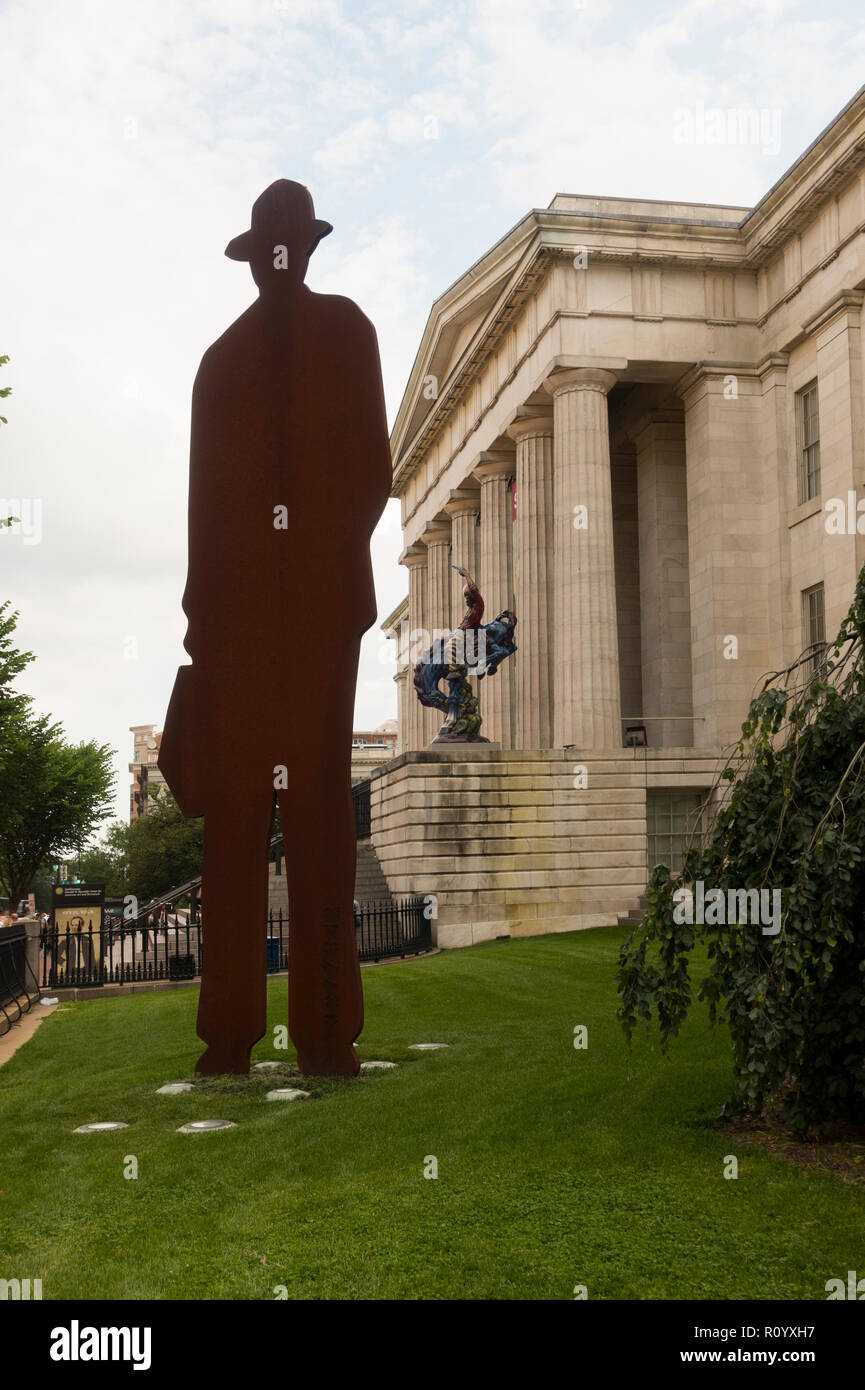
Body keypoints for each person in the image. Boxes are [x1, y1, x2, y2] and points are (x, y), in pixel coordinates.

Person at [159, 181, 392, 1077]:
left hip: (254, 624)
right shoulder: (330, 335)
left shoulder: (226, 361)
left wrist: (208, 623)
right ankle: (320, 1034)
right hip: (301, 617)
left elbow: (205, 520)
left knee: (253, 822)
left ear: (265, 254)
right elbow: (369, 475)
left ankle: (237, 1036)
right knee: (314, 815)